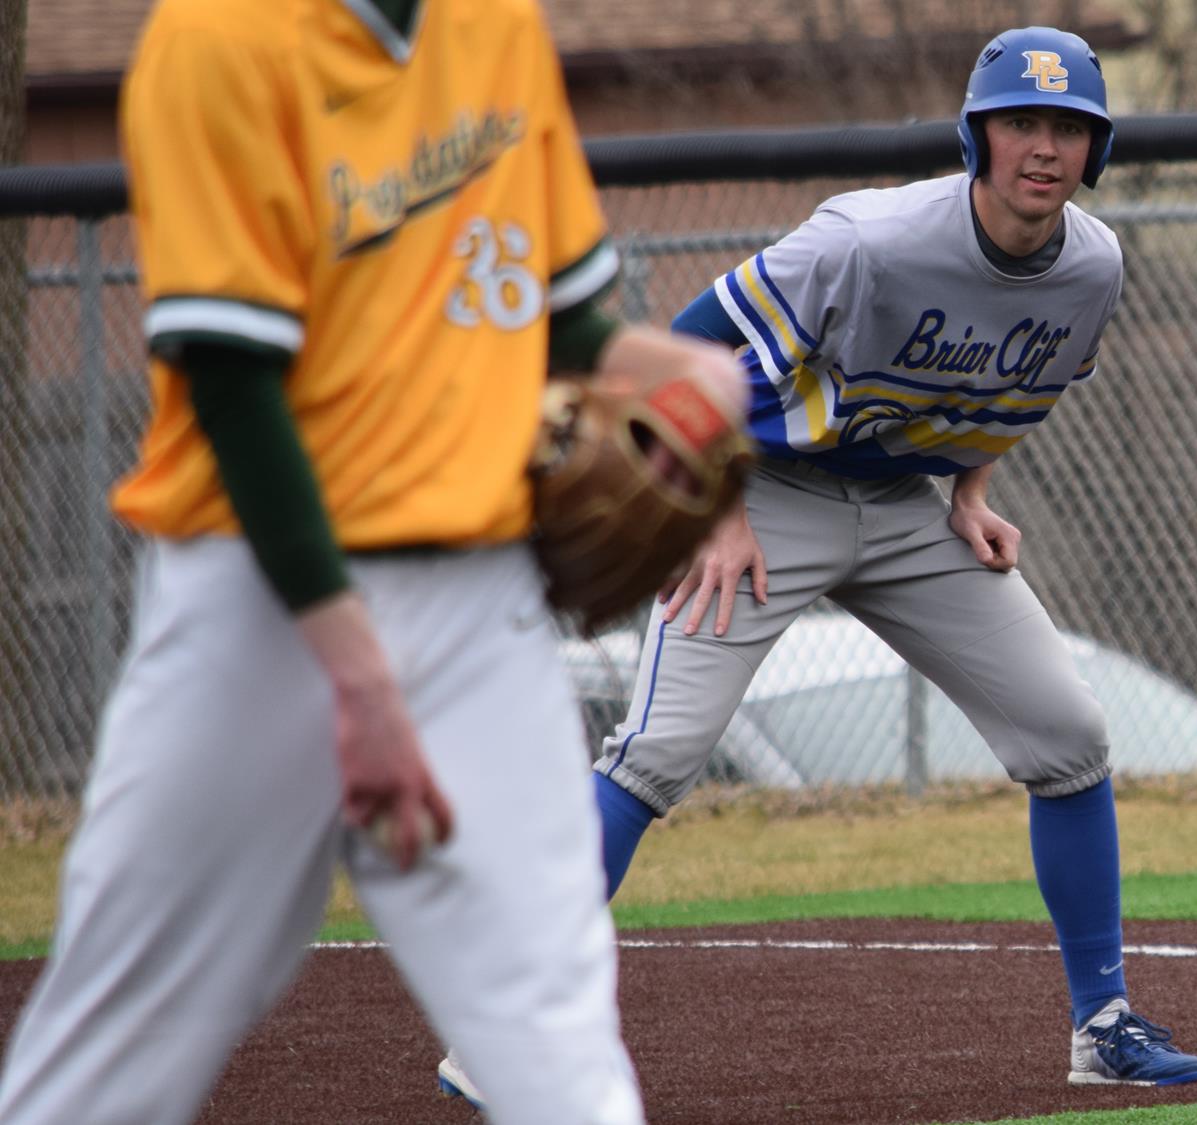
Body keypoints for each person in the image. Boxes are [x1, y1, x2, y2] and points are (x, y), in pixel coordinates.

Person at [0, 1, 744, 1122]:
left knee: (555, 1038)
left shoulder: (493, 28)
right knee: (124, 1045)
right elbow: (233, 379)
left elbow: (562, 324)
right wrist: (358, 678)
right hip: (261, 609)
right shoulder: (220, 41)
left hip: (483, 596)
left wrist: (689, 373)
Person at [567, 25, 1197, 1093]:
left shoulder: (1092, 264)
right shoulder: (868, 243)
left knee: (1067, 736)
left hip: (907, 509)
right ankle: (514, 1029)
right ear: (978, 136)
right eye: (1021, 123)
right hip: (765, 492)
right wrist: (710, 510)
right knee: (658, 751)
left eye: (1067, 129)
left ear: (1094, 152)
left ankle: (1101, 1027)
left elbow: (1016, 384)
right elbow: (677, 358)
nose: (1043, 148)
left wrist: (970, 490)